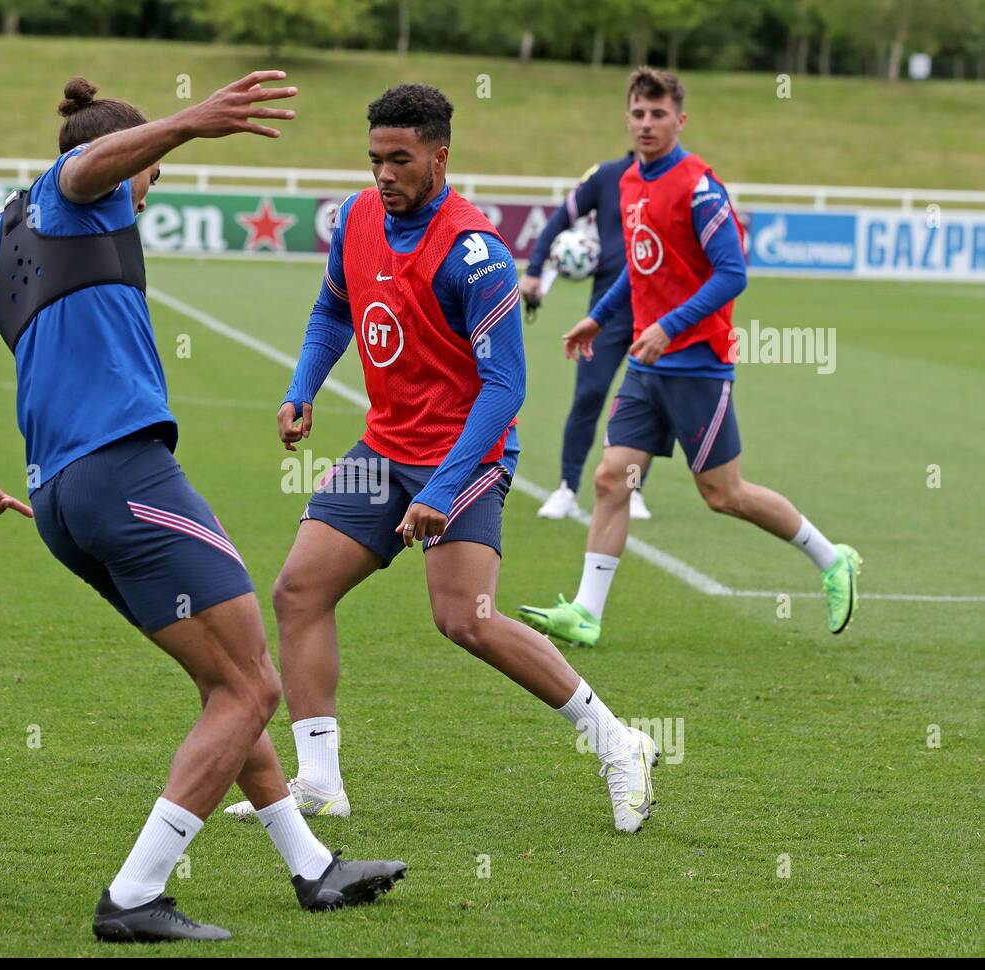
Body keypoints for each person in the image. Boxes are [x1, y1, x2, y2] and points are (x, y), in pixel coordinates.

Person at [0, 73, 405, 944]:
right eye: (152, 174)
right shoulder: (74, 195)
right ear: (125, 165)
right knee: (252, 686)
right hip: (124, 476)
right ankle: (135, 894)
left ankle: (311, 867)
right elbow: (87, 169)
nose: (150, 188)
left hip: (60, 501)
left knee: (226, 681)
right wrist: (190, 123)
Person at [226, 84, 658, 834]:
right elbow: (335, 308)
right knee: (298, 591)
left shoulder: (476, 253)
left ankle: (620, 744)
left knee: (466, 618)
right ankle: (321, 780)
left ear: (439, 155)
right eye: (374, 161)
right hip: (384, 447)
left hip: (466, 453)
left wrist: (446, 487)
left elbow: (506, 387)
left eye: (400, 160)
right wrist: (303, 389)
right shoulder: (358, 219)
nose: (384, 176)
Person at [517, 67, 861, 649]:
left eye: (658, 114)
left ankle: (832, 559)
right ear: (627, 118)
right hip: (649, 367)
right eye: (638, 113)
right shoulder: (628, 182)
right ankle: (586, 611)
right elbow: (641, 265)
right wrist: (599, 316)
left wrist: (669, 326)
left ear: (680, 119)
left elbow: (733, 274)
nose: (646, 124)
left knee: (723, 494)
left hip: (697, 364)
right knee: (609, 479)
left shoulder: (699, 186)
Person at [520, 151, 655, 522]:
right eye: (639, 113)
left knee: (647, 401)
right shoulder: (607, 175)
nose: (646, 125)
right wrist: (534, 271)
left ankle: (633, 488)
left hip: (658, 310)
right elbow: (560, 219)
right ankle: (567, 488)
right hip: (607, 310)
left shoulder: (676, 179)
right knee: (589, 395)